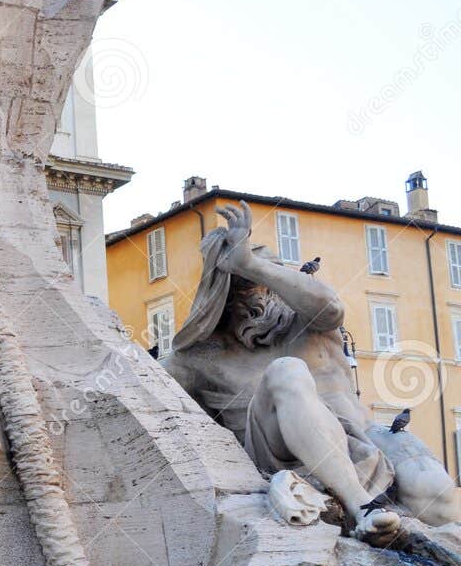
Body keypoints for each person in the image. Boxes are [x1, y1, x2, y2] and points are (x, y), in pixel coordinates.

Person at [165, 202, 461, 539]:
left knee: (433, 489)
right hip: (281, 459)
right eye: (244, 289)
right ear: (221, 300)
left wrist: (250, 264)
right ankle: (360, 506)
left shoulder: (310, 323)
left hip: (363, 441)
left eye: (268, 281)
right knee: (286, 372)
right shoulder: (198, 360)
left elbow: (331, 306)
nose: (261, 298)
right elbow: (145, 392)